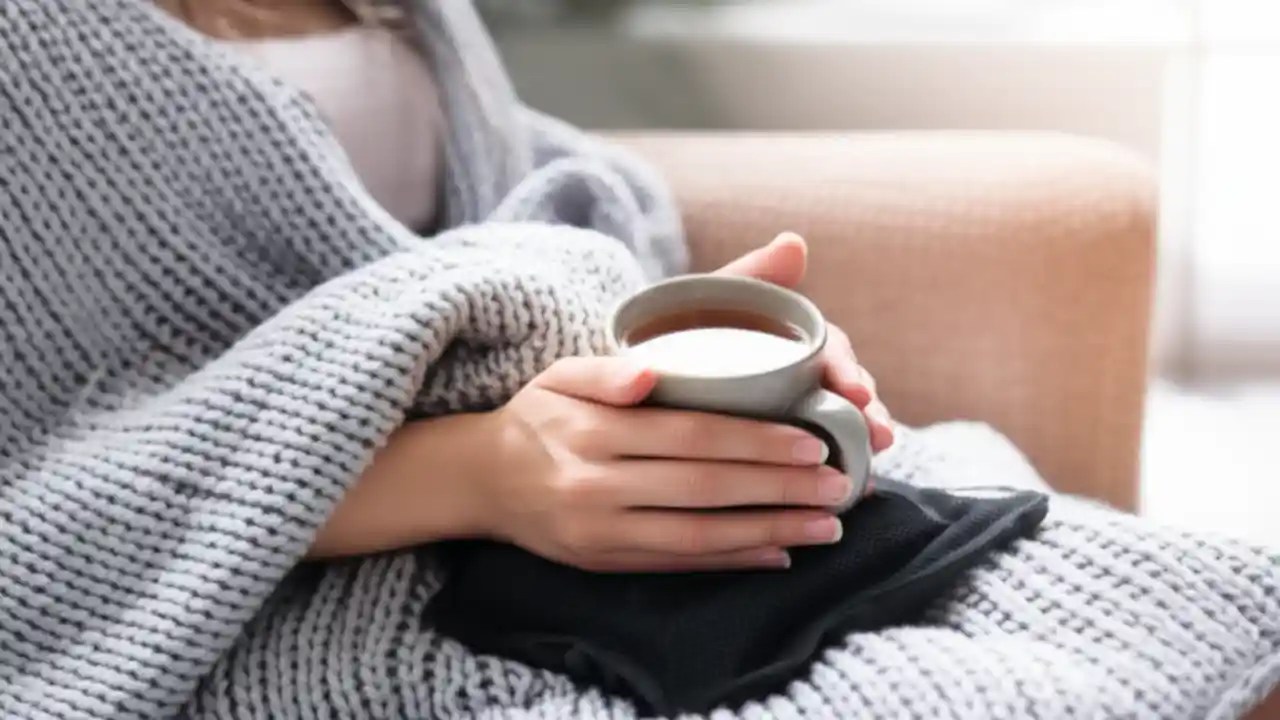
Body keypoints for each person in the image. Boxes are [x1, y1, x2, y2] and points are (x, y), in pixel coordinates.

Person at [161, 0, 896, 573]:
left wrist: (685, 349)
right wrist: (484, 472)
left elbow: (505, 188)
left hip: (583, 487)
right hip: (327, 592)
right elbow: (96, 476)